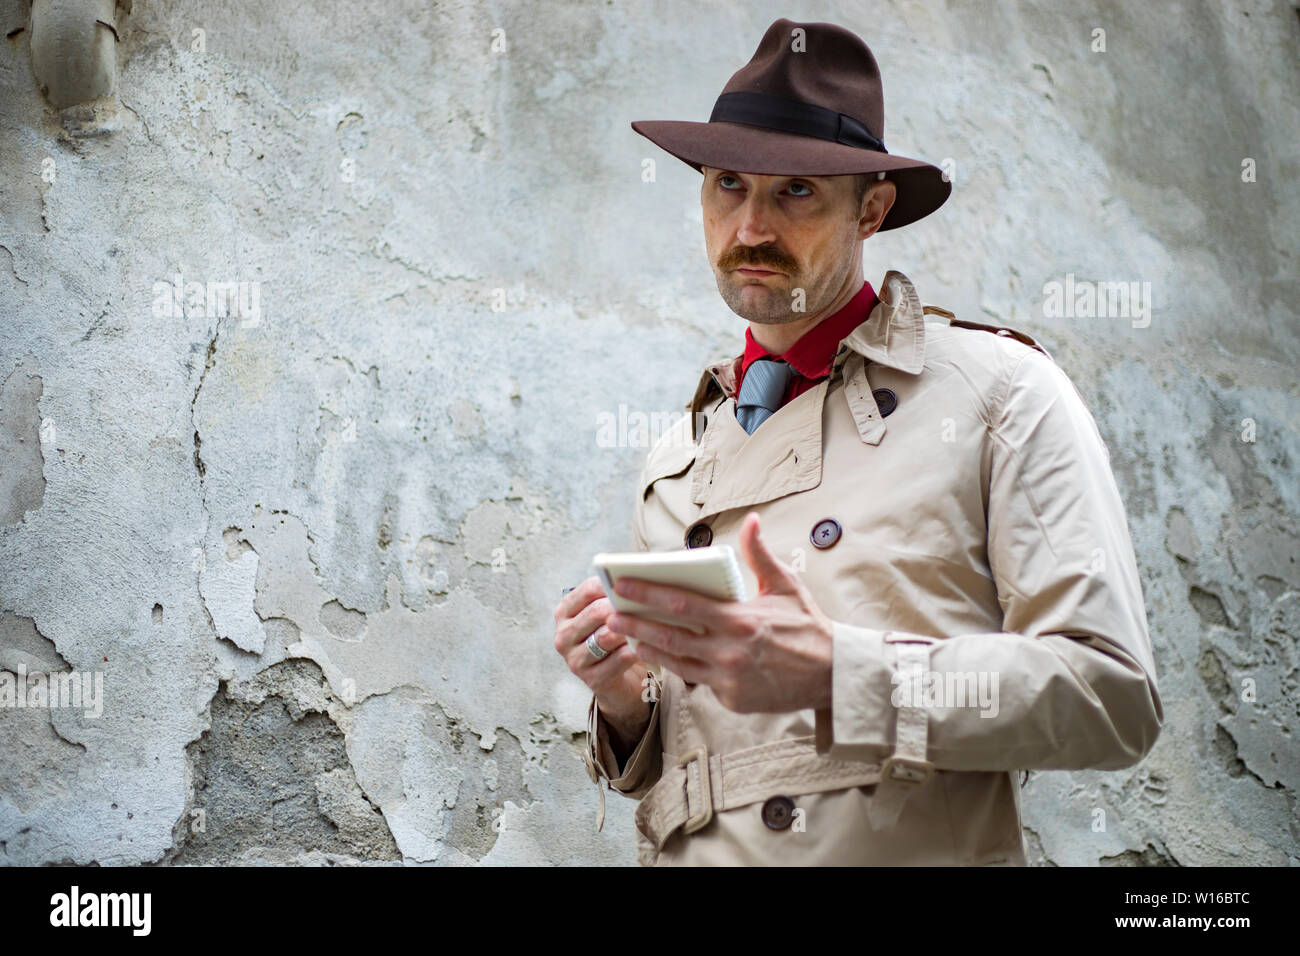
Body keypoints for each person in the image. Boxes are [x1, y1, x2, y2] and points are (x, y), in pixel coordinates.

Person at [553, 17, 1162, 866]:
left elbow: (1112, 699)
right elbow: (700, 762)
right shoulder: (677, 461)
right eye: (729, 184)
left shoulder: (997, 393)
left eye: (796, 191)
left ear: (872, 209)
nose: (751, 228)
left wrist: (841, 675)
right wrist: (625, 704)